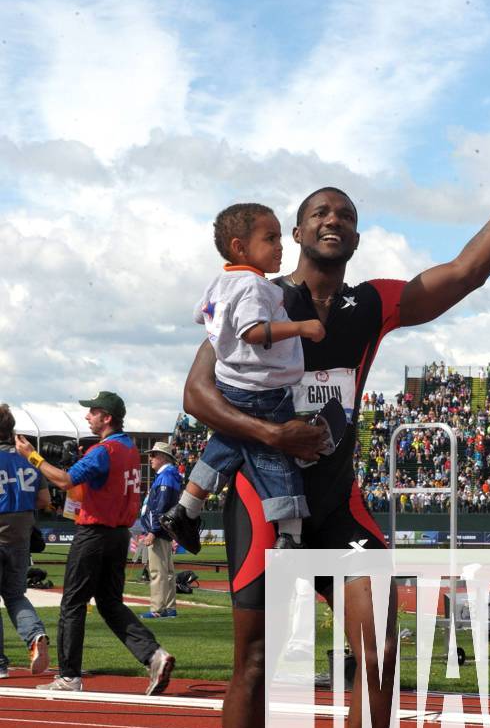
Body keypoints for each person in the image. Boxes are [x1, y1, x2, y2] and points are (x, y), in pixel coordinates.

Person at [181, 129, 490, 728]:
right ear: (293, 232)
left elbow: (460, 274)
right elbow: (197, 394)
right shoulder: (258, 292)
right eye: (320, 211)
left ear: (354, 236)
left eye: (346, 213)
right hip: (263, 494)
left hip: (337, 500)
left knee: (380, 647)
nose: (334, 219)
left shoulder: (369, 304)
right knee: (253, 663)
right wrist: (272, 433)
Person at [161, 203, 325, 555]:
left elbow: (200, 314)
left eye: (280, 237)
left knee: (228, 443)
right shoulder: (254, 286)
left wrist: (222, 334)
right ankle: (290, 536)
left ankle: (185, 509)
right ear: (239, 246)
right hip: (263, 387)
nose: (280, 246)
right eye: (270, 238)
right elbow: (252, 332)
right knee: (279, 454)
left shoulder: (221, 281)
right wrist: (302, 327)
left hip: (231, 382)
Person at [15, 391, 175, 695]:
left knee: (72, 604)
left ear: (107, 417)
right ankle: (154, 655)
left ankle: (69, 676)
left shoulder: (104, 451)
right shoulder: (129, 449)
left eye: (93, 412)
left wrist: (33, 457)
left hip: (94, 534)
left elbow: (64, 481)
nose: (87, 416)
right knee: (111, 603)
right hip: (118, 535)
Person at [0, 404, 51, 678]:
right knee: (15, 595)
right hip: (20, 538)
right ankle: (35, 635)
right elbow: (44, 500)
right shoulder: (28, 459)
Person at [139, 442, 182, 619]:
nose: (150, 459)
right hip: (165, 530)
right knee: (167, 571)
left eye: (153, 455)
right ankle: (170, 607)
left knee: (157, 571)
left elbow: (161, 506)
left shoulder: (165, 477)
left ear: (163, 457)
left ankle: (157, 609)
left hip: (159, 530)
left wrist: (153, 531)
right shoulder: (169, 475)